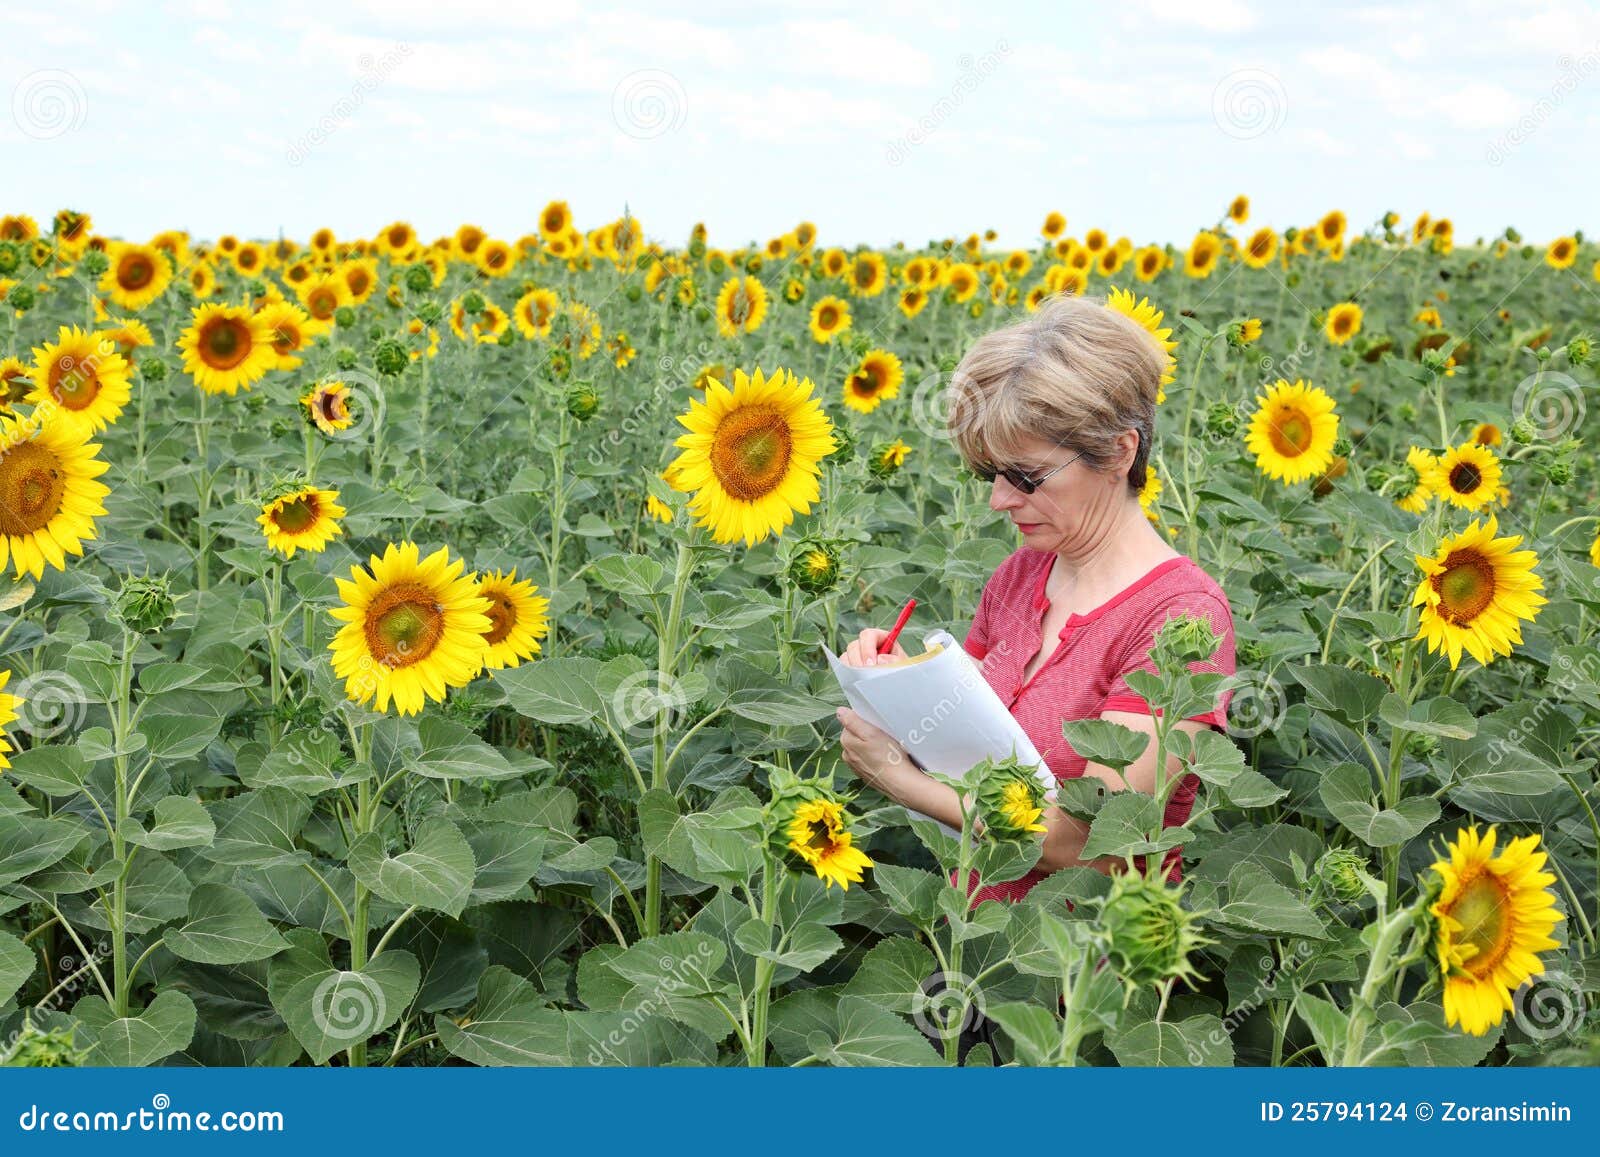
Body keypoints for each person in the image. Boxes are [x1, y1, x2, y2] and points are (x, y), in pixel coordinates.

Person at [836, 293, 1235, 902]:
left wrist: (896, 777)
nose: (999, 500)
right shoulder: (1022, 575)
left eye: (1025, 477)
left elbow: (1093, 846)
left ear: (1119, 452)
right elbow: (969, 723)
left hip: (1087, 965)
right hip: (979, 940)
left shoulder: (1181, 616)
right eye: (988, 474)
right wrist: (896, 686)